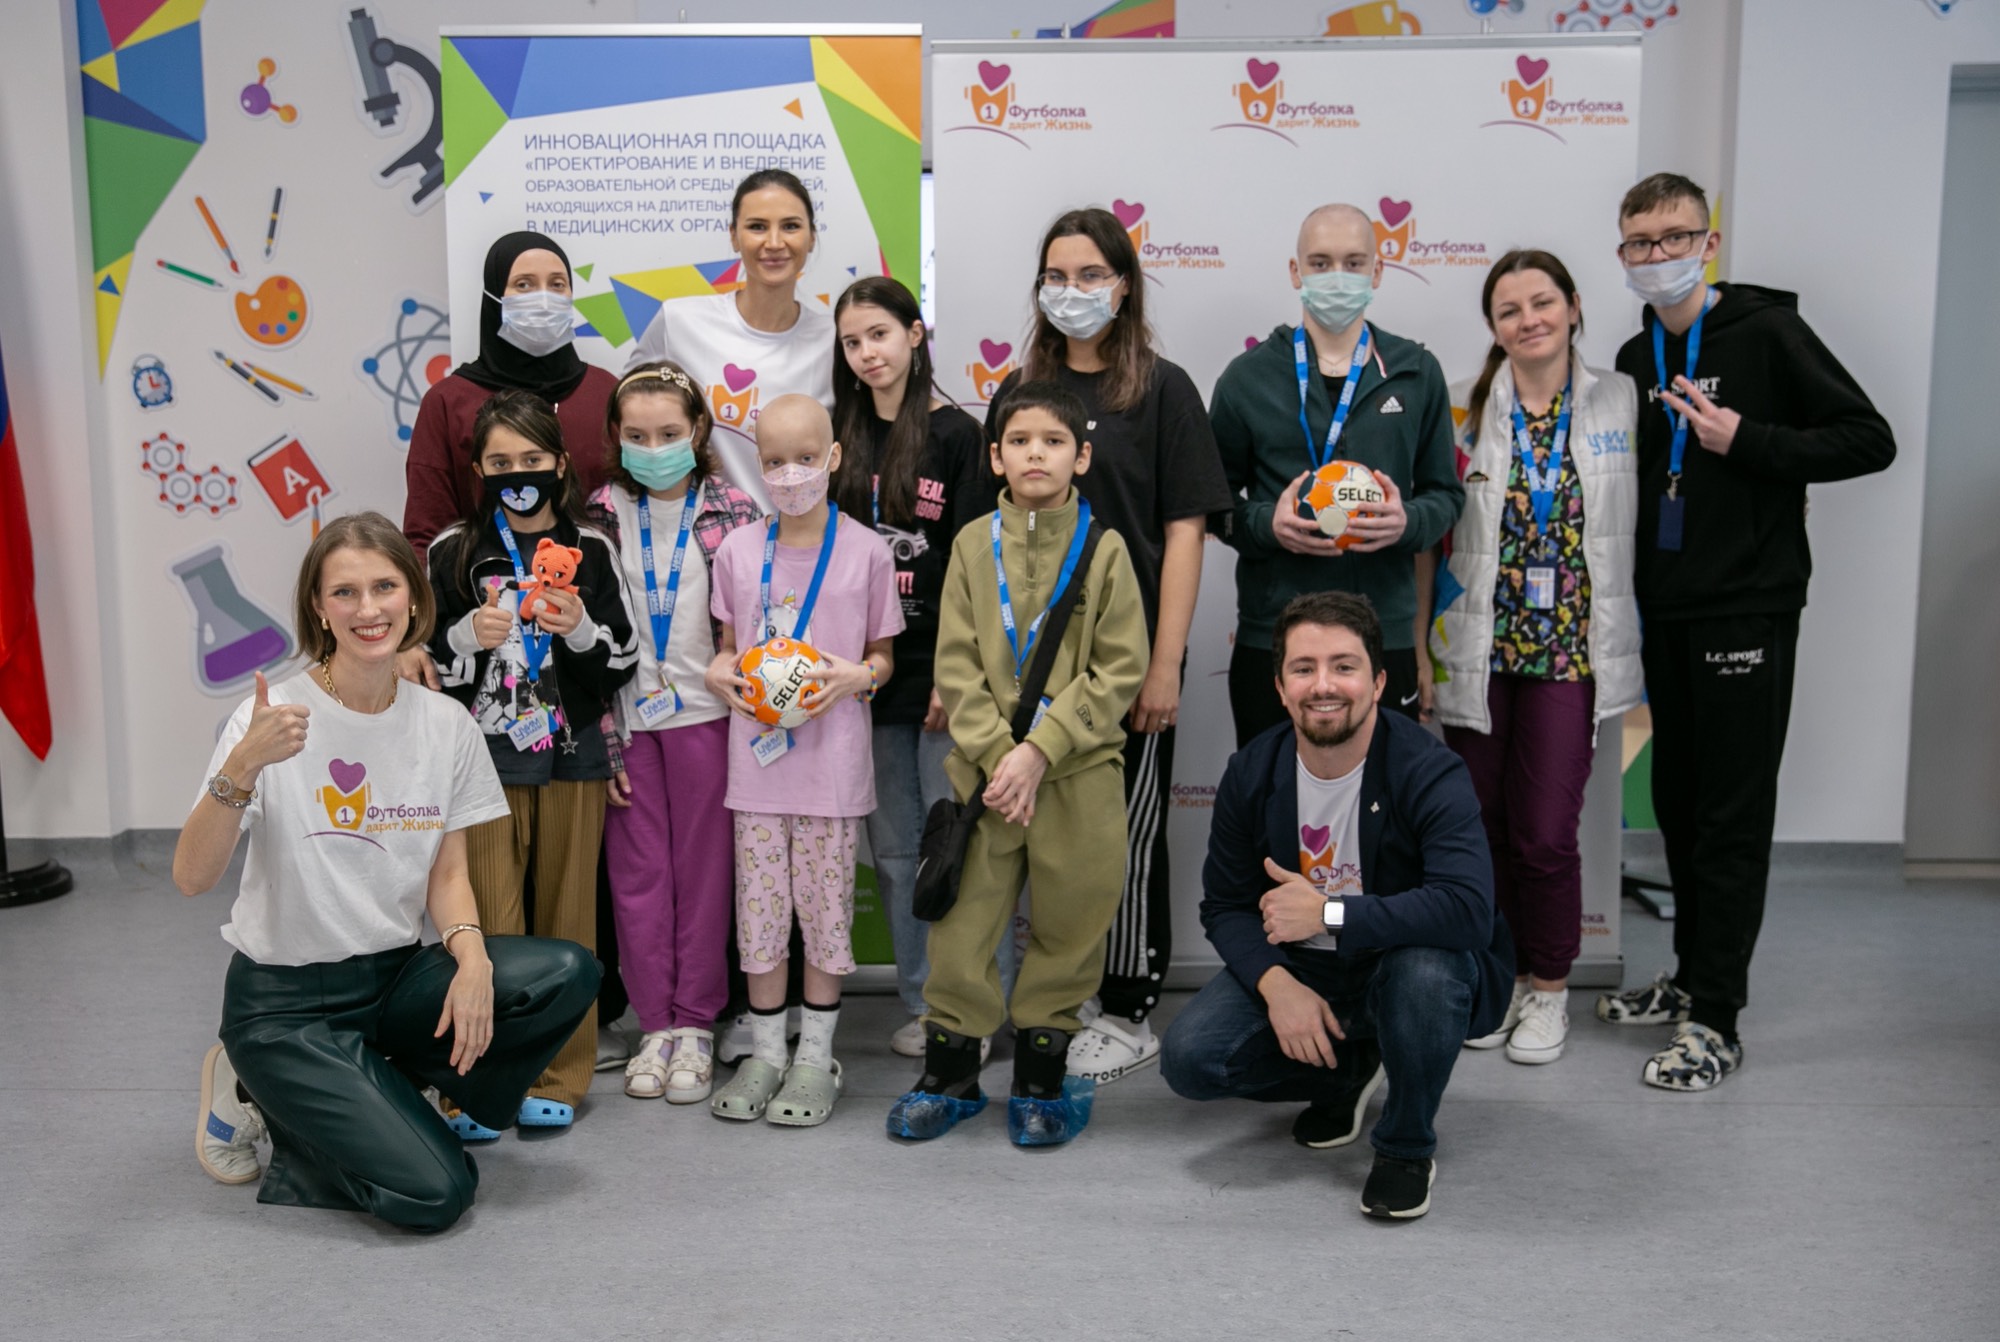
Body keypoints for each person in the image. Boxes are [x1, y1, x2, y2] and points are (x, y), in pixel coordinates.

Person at [179, 513, 599, 1233]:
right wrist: (242, 768)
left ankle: (386, 1085)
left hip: (395, 981)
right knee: (438, 1193)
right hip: (286, 1005)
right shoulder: (270, 718)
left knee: (567, 972)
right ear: (319, 607)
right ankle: (258, 1093)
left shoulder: (445, 723)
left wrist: (472, 959)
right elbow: (192, 876)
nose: (367, 609)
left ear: (412, 597)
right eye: (344, 592)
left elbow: (449, 873)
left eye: (384, 587)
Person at [1598, 173, 1894, 1089]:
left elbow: (1868, 438)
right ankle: (1691, 979)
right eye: (1640, 242)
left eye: (1674, 238)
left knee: (1731, 813)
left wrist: (1750, 440)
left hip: (1747, 607)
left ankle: (1718, 1019)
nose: (1657, 256)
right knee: (1681, 804)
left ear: (1709, 242)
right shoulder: (1636, 354)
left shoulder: (1769, 334)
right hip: (1666, 607)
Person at [1159, 591, 1512, 1221]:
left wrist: (1329, 913)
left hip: (1400, 960)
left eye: (1344, 666)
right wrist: (1277, 987)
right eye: (1304, 668)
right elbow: (1226, 906)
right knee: (1192, 1059)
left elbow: (1467, 909)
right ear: (1280, 687)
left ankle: (1406, 1144)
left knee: (1426, 976)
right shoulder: (1251, 771)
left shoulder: (1429, 769)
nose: (1323, 685)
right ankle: (1352, 1068)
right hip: (1306, 967)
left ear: (1378, 683)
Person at [982, 207, 1231, 1084]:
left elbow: (1187, 530)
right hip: (1030, 667)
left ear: (1124, 286)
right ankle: (1063, 993)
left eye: (1092, 275)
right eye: (1057, 276)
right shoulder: (1021, 392)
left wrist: (1164, 663)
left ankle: (1127, 1009)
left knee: (1123, 835)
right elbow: (993, 532)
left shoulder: (1163, 391)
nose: (1073, 291)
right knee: (1046, 837)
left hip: (1125, 662)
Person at [887, 381, 1149, 1146]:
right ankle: (949, 1077)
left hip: (1077, 774)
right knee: (963, 926)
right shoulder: (974, 545)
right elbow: (957, 665)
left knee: (1071, 924)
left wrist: (1040, 751)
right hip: (986, 778)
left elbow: (1118, 669)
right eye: (1021, 441)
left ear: (1082, 457)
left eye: (1054, 441)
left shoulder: (1105, 549)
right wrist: (1004, 757)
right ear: (996, 457)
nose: (1037, 453)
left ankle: (1040, 1081)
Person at [1429, 250, 1640, 1066]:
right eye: (1509, 310)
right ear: (1493, 326)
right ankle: (1505, 980)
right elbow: (1437, 532)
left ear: (1574, 306)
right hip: (1478, 650)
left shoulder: (1621, 399)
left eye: (1542, 302)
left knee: (1546, 834)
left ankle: (1550, 988)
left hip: (1568, 655)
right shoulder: (1461, 406)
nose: (1529, 320)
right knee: (1482, 828)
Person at [425, 391, 637, 1129]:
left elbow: (622, 661)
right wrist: (464, 639)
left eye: (532, 459)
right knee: (487, 927)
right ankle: (476, 1080)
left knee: (569, 921)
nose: (518, 474)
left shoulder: (595, 548)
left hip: (573, 758)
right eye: (500, 462)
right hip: (481, 765)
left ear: (561, 464)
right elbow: (426, 666)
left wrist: (578, 629)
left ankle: (561, 1075)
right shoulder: (454, 551)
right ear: (478, 471)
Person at [702, 394, 902, 1127]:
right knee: (759, 919)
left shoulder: (867, 551)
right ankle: (765, 1053)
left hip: (832, 771)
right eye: (776, 461)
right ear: (758, 466)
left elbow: (882, 659)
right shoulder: (736, 551)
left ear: (834, 458)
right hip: (757, 769)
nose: (791, 474)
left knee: (824, 917)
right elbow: (728, 648)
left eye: (806, 459)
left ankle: (815, 1060)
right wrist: (718, 670)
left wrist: (858, 676)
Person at [1212, 203, 1464, 746]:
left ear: (1377, 271)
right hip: (1274, 631)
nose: (1337, 278)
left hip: (1383, 631)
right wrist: (1267, 525)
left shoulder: (1416, 371)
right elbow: (1214, 503)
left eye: (1353, 263)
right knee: (1268, 788)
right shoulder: (1247, 378)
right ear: (1295, 272)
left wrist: (1407, 521)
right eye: (1320, 263)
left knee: (1384, 792)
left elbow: (1446, 495)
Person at [830, 276, 1002, 1056]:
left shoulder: (958, 435)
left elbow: (977, 566)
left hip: (942, 674)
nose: (868, 353)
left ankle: (975, 1003)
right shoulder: (840, 433)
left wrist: (953, 674)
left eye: (880, 334)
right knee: (897, 855)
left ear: (915, 334)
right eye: (852, 341)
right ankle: (921, 1001)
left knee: (956, 844)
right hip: (863, 675)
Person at [589, 363, 762, 1104]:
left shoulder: (736, 510)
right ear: (616, 437)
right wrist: (603, 736)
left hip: (709, 721)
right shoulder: (597, 514)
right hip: (629, 723)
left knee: (704, 877)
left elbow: (759, 619)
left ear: (697, 431)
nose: (653, 448)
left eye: (668, 433)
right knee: (636, 881)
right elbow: (583, 637)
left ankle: (695, 1023)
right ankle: (653, 1025)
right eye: (637, 435)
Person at [630, 170, 835, 511]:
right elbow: (629, 422)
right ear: (734, 236)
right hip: (700, 533)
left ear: (811, 237)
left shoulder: (835, 340)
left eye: (790, 226)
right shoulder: (679, 322)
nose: (774, 242)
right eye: (757, 226)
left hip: (798, 535)